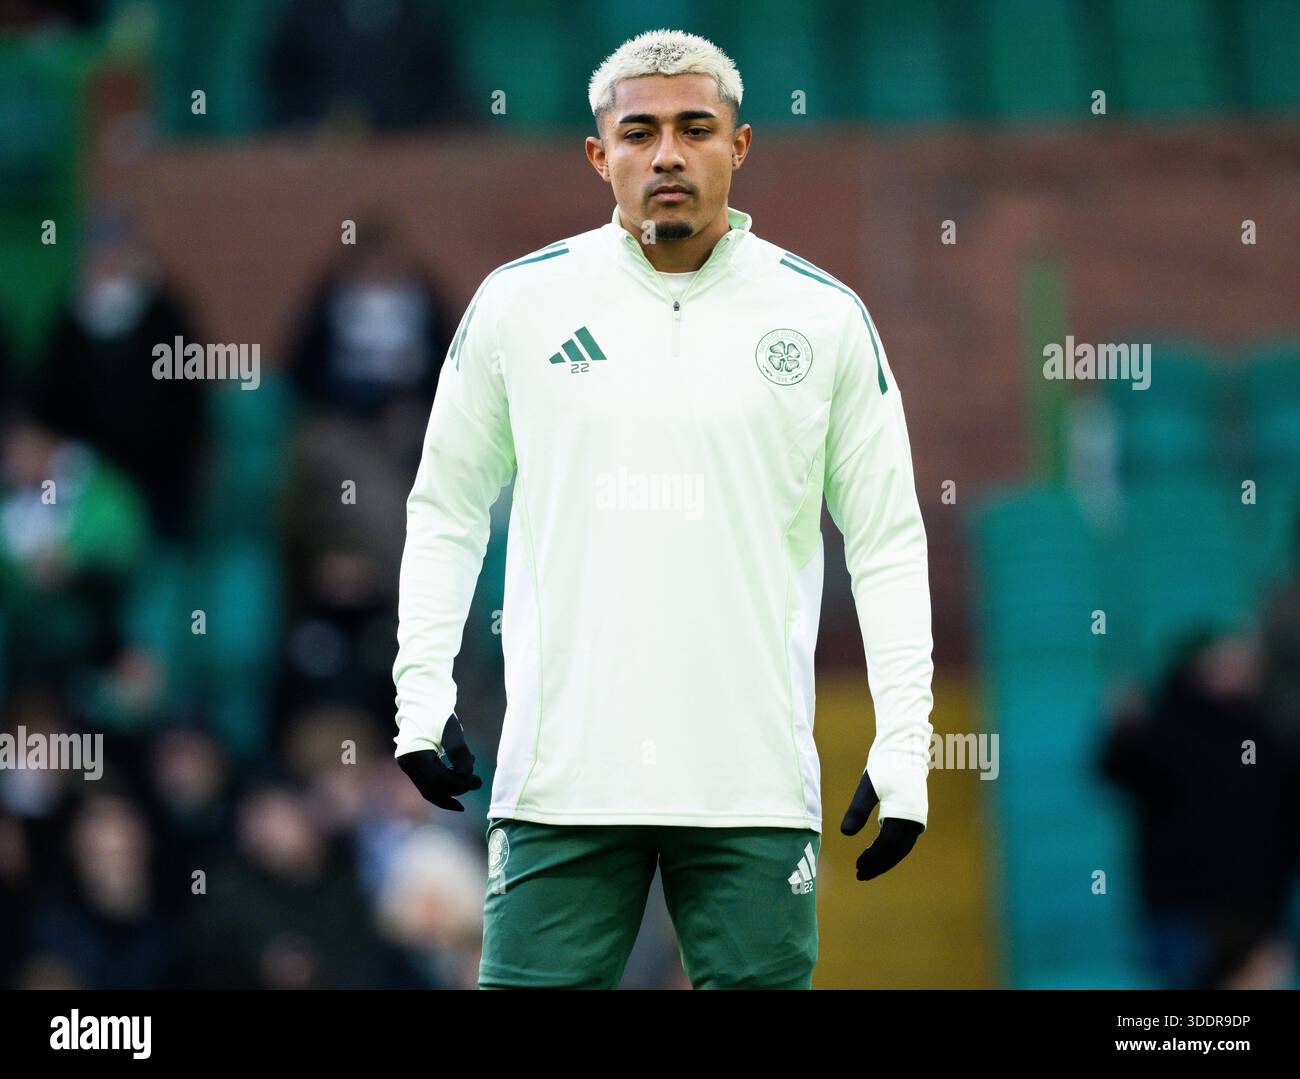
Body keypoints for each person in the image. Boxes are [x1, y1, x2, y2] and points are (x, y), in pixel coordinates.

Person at [392, 29, 934, 990]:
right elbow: (445, 509)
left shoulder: (822, 317)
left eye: (696, 128)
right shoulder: (521, 303)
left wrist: (904, 743)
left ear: (741, 146)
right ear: (600, 156)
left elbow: (887, 540)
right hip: (562, 778)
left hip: (752, 784)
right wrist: (420, 695)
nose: (669, 154)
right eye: (640, 132)